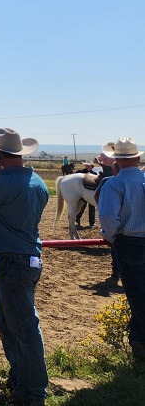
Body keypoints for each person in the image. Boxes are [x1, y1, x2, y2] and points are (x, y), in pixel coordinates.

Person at [0, 127, 48, 406]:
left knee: (24, 327)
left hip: (11, 261)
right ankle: (21, 378)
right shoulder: (36, 181)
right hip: (29, 257)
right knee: (4, 316)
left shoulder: (2, 183)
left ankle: (32, 393)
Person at [97, 137, 145, 362]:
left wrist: (111, 236)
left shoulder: (113, 184)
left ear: (116, 160)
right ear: (137, 158)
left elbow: (107, 217)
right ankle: (138, 343)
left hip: (130, 243)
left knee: (137, 295)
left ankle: (139, 344)